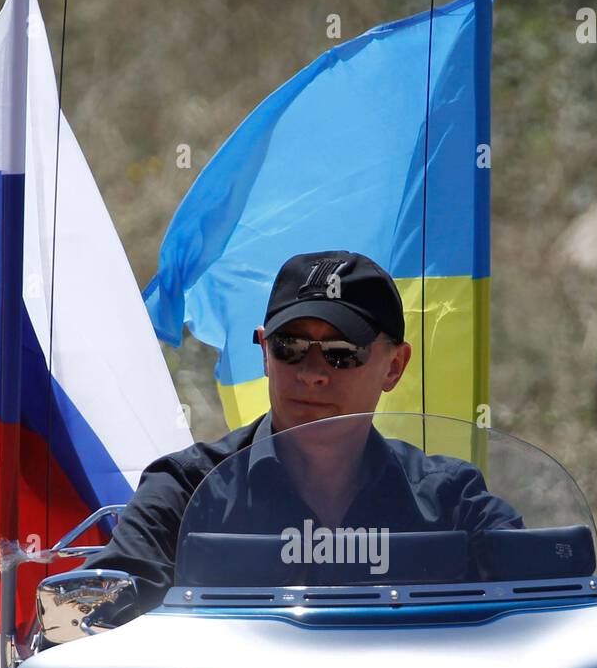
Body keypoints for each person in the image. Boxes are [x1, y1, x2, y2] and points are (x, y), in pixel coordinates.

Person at [82, 249, 521, 606]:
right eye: (289, 346)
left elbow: (554, 602)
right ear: (264, 353)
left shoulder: (451, 501)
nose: (312, 372)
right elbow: (94, 615)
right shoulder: (184, 490)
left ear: (395, 366)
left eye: (342, 351)